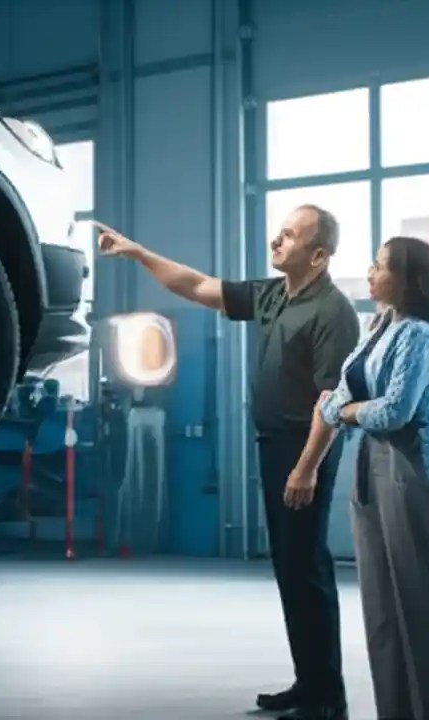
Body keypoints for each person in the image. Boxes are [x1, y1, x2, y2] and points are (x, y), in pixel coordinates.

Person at [94, 205, 360, 720]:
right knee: (290, 567)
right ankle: (309, 683)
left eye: (289, 236)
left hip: (304, 449)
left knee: (306, 568)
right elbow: (196, 286)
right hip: (274, 445)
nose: (276, 240)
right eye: (279, 232)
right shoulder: (273, 293)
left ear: (319, 254)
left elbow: (330, 402)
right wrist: (138, 253)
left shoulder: (333, 312)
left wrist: (305, 469)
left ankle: (327, 697)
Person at [311, 235, 429, 720]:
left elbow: (394, 411)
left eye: (380, 266)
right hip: (369, 466)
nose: (371, 272)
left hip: (408, 469)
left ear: (405, 278)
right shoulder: (378, 325)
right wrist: (348, 407)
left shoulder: (418, 333)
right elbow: (337, 394)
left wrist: (349, 410)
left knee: (418, 598)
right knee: (379, 605)